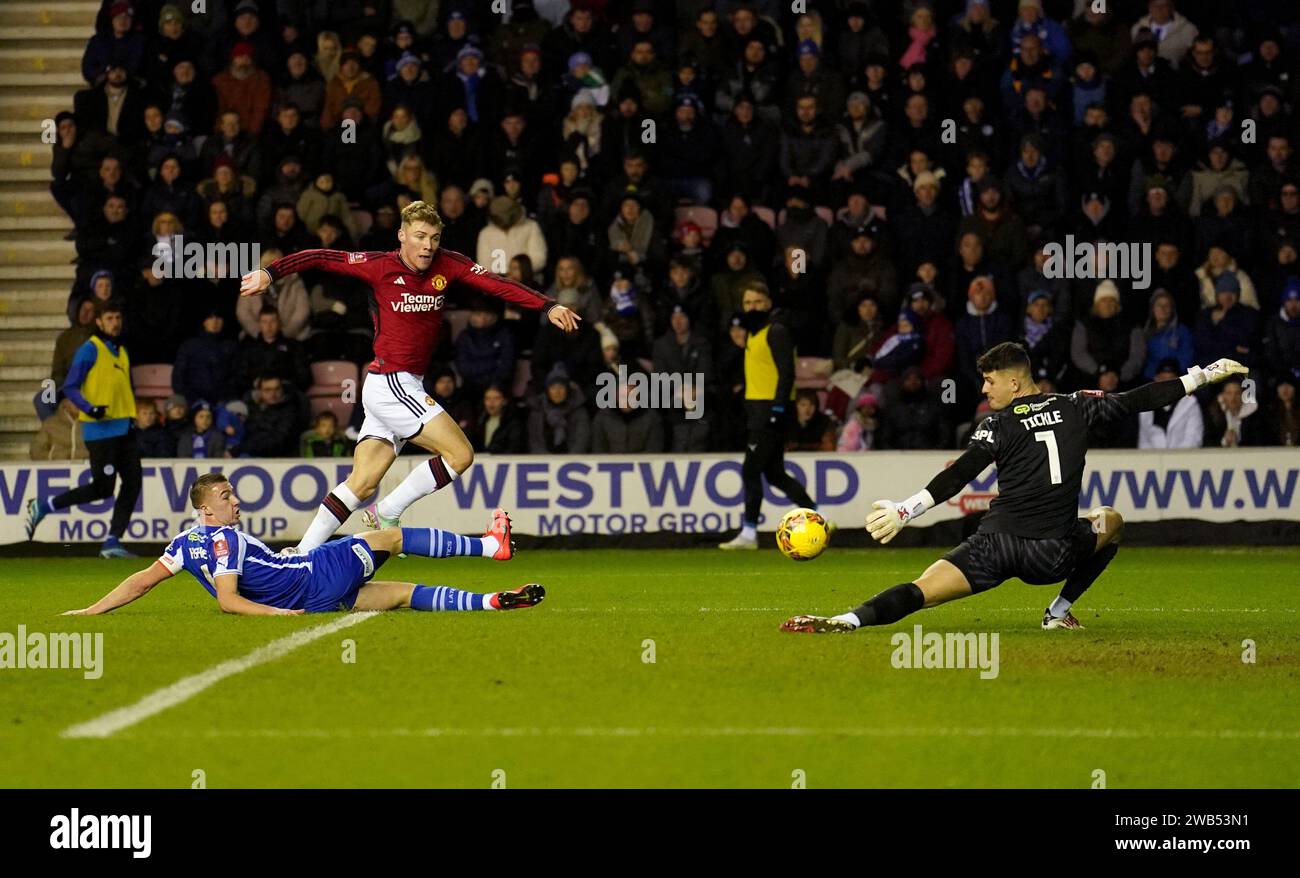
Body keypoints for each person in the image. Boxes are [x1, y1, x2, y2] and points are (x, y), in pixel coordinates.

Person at [782, 342, 1246, 634]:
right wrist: (1200, 376)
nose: (985, 389)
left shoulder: (998, 424)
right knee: (1113, 521)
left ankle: (846, 620)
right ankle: (1058, 610)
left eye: (989, 380)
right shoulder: (1077, 405)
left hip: (995, 546)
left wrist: (907, 510)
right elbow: (1138, 400)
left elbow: (962, 472)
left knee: (921, 590)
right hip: (1052, 555)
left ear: (1013, 380)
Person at [240, 201, 580, 552]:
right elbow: (319, 257)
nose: (428, 245)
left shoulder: (449, 264)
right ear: (402, 236)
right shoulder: (379, 267)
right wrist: (271, 272)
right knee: (460, 455)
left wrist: (548, 305)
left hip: (398, 384)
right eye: (419, 236)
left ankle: (302, 553)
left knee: (361, 483)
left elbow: (496, 284)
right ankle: (388, 510)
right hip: (391, 383)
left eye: (433, 237)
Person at [64, 473, 543, 617]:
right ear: (207, 510)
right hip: (315, 573)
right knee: (391, 537)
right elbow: (229, 600)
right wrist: (277, 615)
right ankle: (490, 547)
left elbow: (141, 581)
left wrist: (89, 612)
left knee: (399, 593)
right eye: (225, 497)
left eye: (232, 493)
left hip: (315, 596)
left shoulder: (185, 544)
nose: (235, 502)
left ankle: (492, 602)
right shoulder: (225, 539)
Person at [24, 300, 142, 558]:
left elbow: (123, 389)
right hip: (101, 431)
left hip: (124, 428)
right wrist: (90, 408)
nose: (115, 322)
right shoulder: (91, 349)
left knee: (133, 482)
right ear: (99, 321)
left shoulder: (120, 350)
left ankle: (112, 541)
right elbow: (70, 386)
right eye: (109, 318)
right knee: (103, 487)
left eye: (117, 317)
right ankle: (45, 506)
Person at [718, 286, 820, 550]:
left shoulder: (776, 331)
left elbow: (786, 373)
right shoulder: (755, 334)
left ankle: (749, 533)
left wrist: (777, 410)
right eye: (747, 301)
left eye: (757, 301)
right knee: (774, 474)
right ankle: (819, 516)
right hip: (759, 411)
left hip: (770, 412)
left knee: (750, 470)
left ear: (768, 302)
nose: (751, 306)